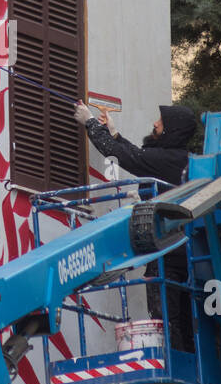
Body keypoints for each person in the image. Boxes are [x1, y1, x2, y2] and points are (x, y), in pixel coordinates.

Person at [73, 100, 197, 351]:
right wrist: (115, 134)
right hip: (181, 251)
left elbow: (129, 158)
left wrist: (90, 124)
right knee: (183, 316)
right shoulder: (180, 158)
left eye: (161, 122)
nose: (155, 123)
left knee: (167, 315)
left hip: (167, 253)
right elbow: (141, 158)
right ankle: (187, 361)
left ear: (172, 130)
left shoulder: (170, 159)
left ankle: (175, 359)